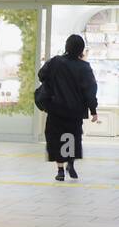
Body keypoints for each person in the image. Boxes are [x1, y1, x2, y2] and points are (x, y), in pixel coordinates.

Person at [39, 34, 99, 180]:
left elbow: (41, 75)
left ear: (67, 46)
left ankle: (60, 170)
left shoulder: (55, 62)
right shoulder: (84, 67)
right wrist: (93, 110)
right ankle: (70, 163)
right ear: (81, 49)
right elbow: (90, 89)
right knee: (71, 136)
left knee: (56, 137)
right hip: (75, 111)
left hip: (55, 108)